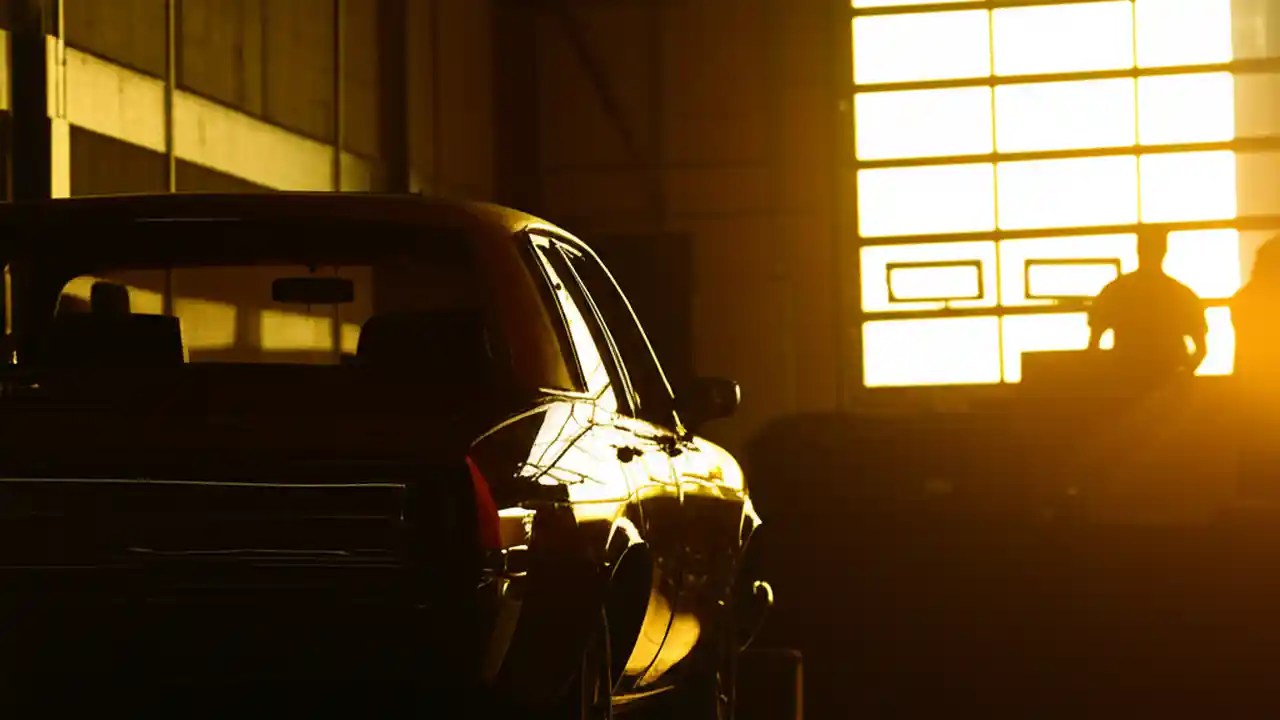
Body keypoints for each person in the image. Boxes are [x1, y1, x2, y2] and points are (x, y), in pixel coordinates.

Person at [1087, 229, 1207, 384]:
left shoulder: (1117, 290)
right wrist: (1183, 374)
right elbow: (1201, 349)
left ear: (1138, 250)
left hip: (1127, 376)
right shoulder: (1182, 294)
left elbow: (1093, 344)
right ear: (1164, 250)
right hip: (1168, 374)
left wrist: (1109, 376)